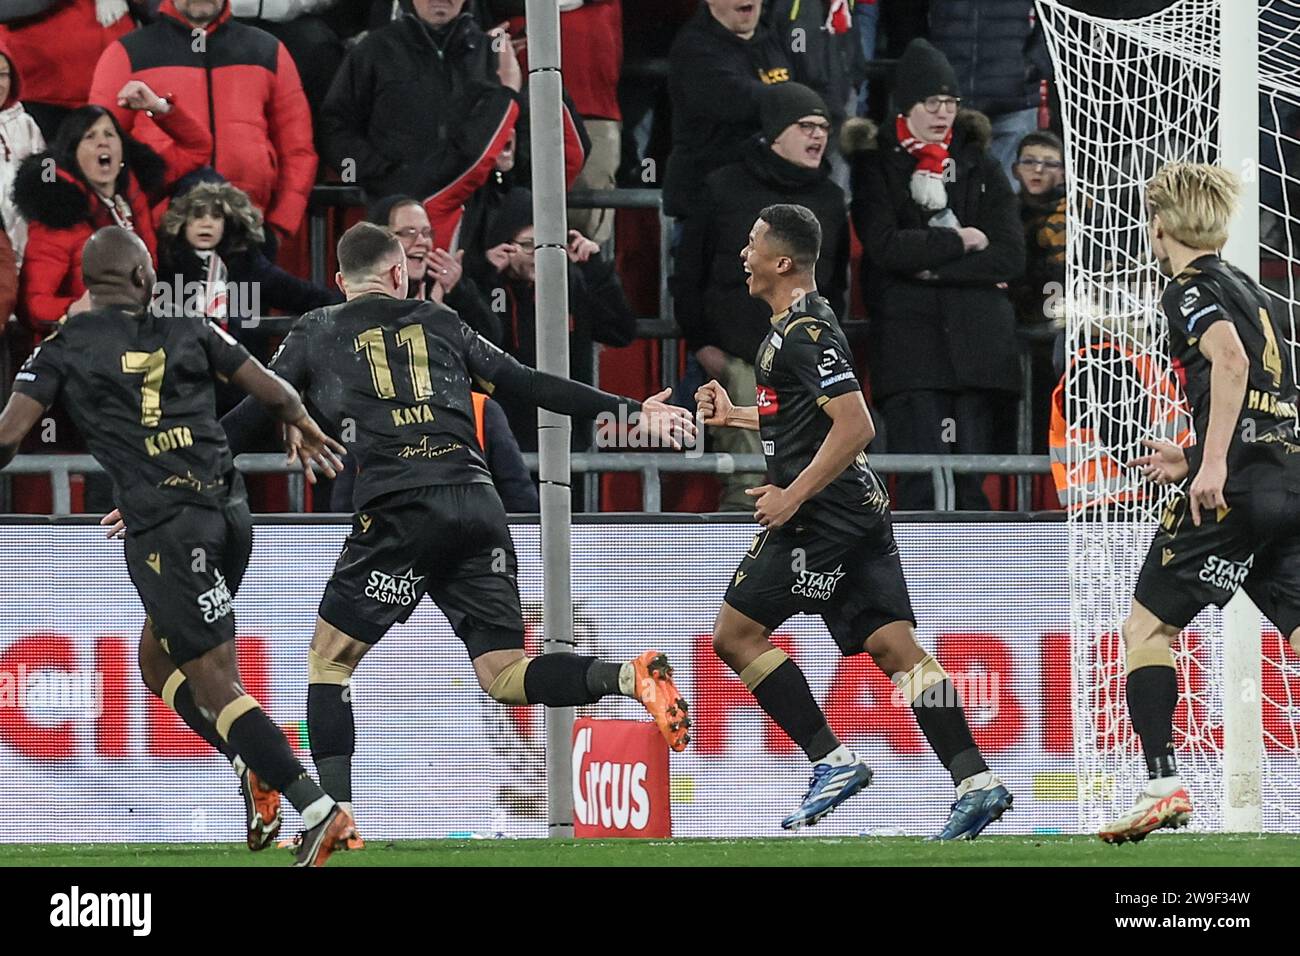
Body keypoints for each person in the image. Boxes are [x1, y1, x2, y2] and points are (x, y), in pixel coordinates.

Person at [181, 222, 695, 846]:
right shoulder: (441, 321)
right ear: (400, 274)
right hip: (478, 504)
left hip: (401, 509)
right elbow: (528, 383)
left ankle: (333, 817)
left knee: (329, 663)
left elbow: (252, 415)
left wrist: (175, 481)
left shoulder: (316, 329)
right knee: (504, 674)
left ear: (341, 282)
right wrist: (630, 407)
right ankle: (627, 677)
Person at [0, 226, 355, 866]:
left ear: (88, 284)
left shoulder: (63, 346)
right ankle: (252, 765)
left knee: (215, 682)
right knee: (156, 660)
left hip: (168, 529)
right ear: (143, 278)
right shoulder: (188, 325)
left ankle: (317, 809)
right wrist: (300, 423)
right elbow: (274, 390)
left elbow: (7, 436)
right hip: (231, 516)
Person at [696, 203, 1012, 837]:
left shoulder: (807, 332)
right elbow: (805, 415)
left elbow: (856, 425)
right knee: (897, 649)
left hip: (822, 518)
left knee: (736, 635)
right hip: (858, 513)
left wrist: (792, 496)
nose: (744, 255)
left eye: (753, 245)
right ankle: (976, 783)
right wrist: (737, 416)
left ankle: (831, 761)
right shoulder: (791, 328)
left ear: (783, 262)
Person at [1101, 163, 1300, 843]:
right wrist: (1192, 454)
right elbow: (1269, 396)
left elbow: (1231, 362)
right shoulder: (1251, 287)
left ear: (1159, 225)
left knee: (1146, 630)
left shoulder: (1188, 288)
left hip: (1236, 488)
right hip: (1286, 476)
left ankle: (1162, 788)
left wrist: (1210, 464)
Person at [847, 38, 1024, 510]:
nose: (943, 112)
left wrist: (928, 269)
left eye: (950, 101)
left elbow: (1009, 255)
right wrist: (960, 241)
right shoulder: (876, 163)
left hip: (980, 352)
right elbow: (886, 247)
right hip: (912, 355)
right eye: (932, 102)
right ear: (907, 105)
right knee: (920, 486)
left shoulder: (981, 162)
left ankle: (978, 561)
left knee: (972, 489)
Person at [673, 82, 849, 510]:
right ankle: (742, 544)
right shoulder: (722, 187)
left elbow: (836, 284)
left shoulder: (830, 198)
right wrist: (703, 345)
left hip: (807, 360)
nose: (818, 135)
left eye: (824, 127)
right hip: (737, 357)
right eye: (805, 125)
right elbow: (688, 273)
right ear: (774, 133)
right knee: (746, 479)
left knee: (814, 474)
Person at [90, 0, 318, 241]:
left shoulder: (269, 51)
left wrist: (279, 226)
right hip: (158, 235)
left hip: (249, 233)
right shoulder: (126, 53)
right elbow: (97, 150)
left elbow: (297, 151)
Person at [15, 90, 211, 333]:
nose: (102, 142)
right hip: (87, 345)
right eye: (90, 136)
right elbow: (32, 305)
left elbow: (198, 147)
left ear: (122, 152)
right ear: (73, 155)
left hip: (142, 335)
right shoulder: (58, 218)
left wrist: (158, 107)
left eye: (110, 134)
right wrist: (75, 310)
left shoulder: (136, 191)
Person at [473, 187, 636, 452]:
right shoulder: (484, 285)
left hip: (567, 440)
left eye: (548, 245)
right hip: (498, 441)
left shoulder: (572, 282)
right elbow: (485, 343)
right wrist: (486, 277)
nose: (539, 256)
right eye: (529, 245)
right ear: (505, 246)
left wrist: (595, 269)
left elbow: (620, 331)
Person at [662, 0, 792, 220]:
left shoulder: (773, 38)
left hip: (766, 198)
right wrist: (792, 100)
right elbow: (737, 99)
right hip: (707, 204)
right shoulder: (694, 46)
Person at [0, 38, 46, 266]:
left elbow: (47, 165)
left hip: (29, 243)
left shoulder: (26, 123)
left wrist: (50, 187)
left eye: (3, 75)